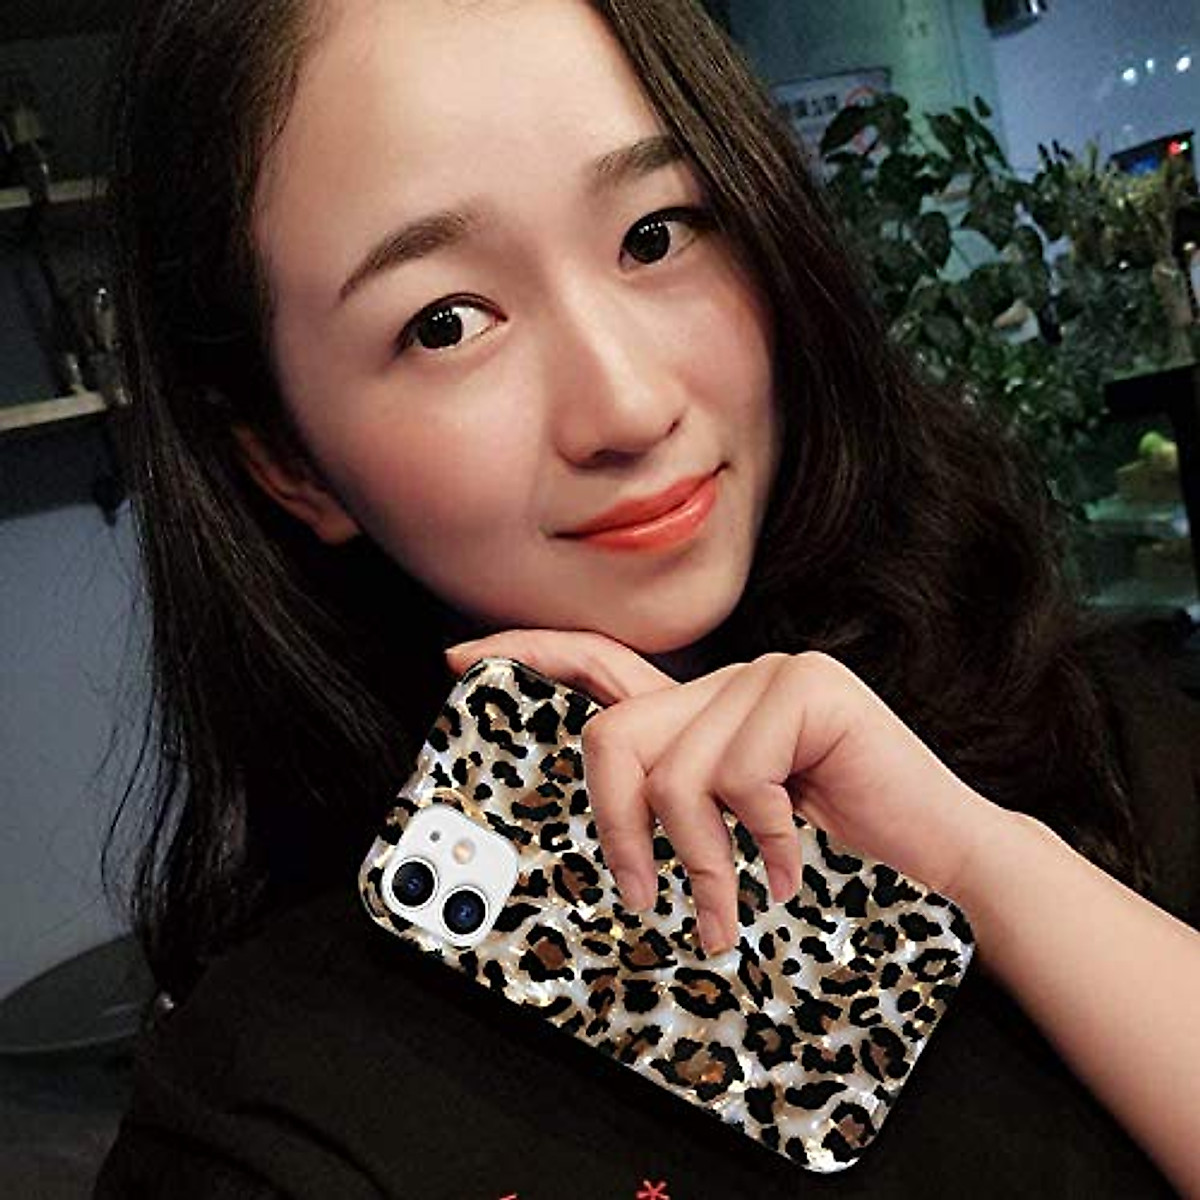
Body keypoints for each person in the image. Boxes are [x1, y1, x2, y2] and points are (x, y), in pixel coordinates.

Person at [94, 0, 1200, 1195]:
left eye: (656, 234)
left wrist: (990, 864)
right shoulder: (274, 1109)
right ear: (287, 462)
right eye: (445, 323)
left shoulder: (1080, 717)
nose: (626, 404)